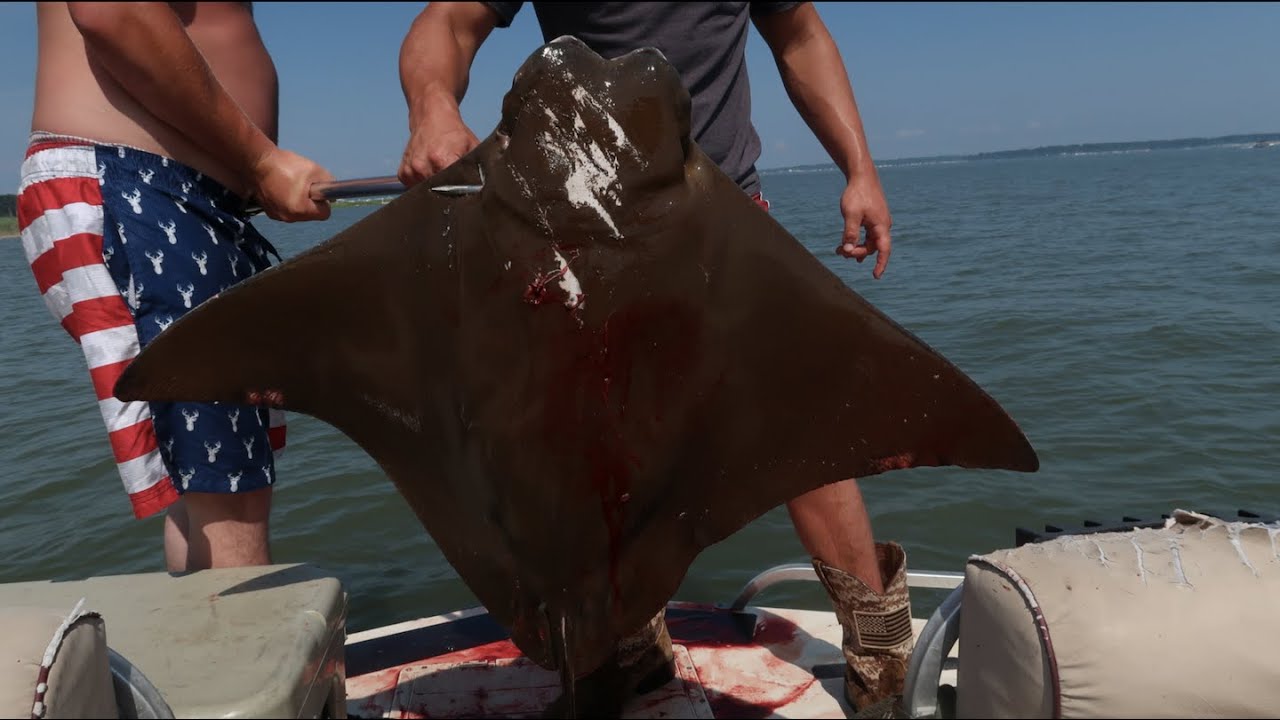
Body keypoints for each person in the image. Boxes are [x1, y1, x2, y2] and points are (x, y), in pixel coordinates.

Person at [398, 2, 909, 716]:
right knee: (599, 451)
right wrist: (433, 109)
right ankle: (628, 645)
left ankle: (881, 651)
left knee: (801, 435)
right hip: (588, 221)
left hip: (721, 207)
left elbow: (798, 34)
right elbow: (449, 21)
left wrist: (859, 168)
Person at [19, 3, 332, 573]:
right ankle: (249, 659)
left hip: (180, 195)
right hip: (134, 182)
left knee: (208, 489)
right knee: (230, 496)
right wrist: (260, 160)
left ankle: (208, 652)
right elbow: (110, 10)